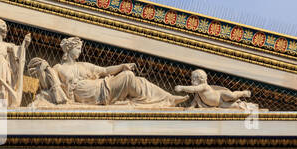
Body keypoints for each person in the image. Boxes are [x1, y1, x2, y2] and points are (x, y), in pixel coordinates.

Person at [29, 37, 185, 107]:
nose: (79, 52)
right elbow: (49, 85)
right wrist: (44, 68)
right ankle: (160, 100)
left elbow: (104, 70)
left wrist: (121, 65)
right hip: (88, 93)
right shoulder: (58, 68)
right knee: (129, 78)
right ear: (69, 50)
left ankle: (168, 99)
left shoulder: (84, 65)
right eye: (77, 49)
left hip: (99, 86)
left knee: (139, 80)